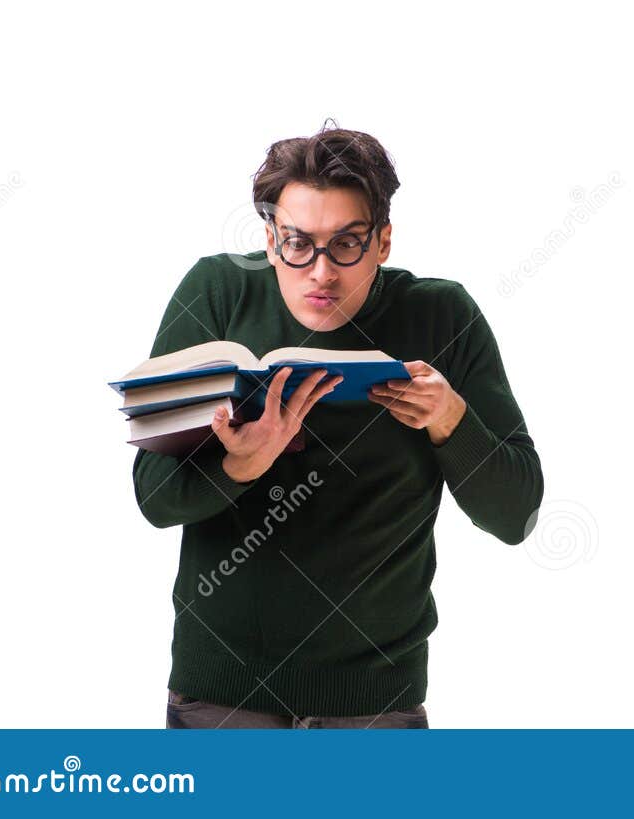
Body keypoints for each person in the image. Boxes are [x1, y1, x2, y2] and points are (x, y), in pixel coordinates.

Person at [134, 126, 543, 728]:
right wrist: (240, 465)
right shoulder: (217, 292)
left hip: (375, 706)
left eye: (347, 244)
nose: (321, 271)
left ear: (383, 242)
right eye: (298, 243)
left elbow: (516, 515)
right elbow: (154, 499)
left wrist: (452, 421)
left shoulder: (443, 315)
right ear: (271, 241)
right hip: (220, 702)